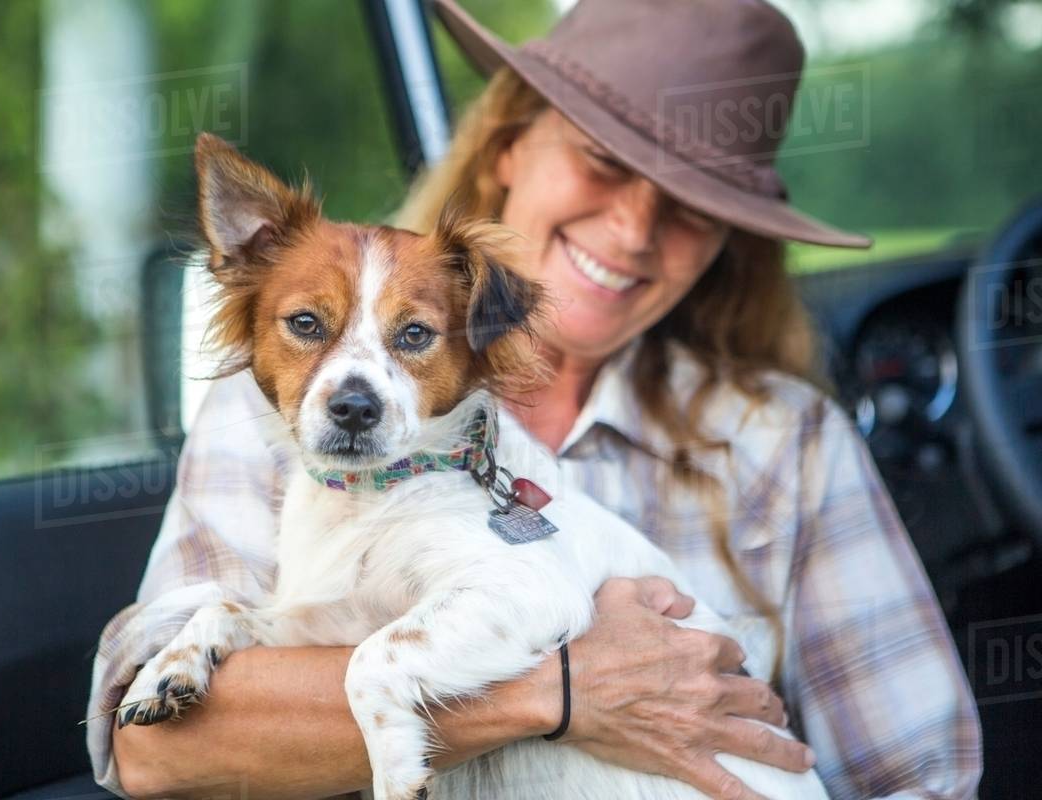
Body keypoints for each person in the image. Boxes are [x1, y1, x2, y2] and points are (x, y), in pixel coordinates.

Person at [89, 0, 982, 797]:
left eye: (691, 202)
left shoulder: (786, 437)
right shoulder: (270, 413)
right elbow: (155, 750)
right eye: (603, 160)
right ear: (510, 140)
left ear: (726, 239)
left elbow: (924, 776)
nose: (632, 230)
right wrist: (557, 698)